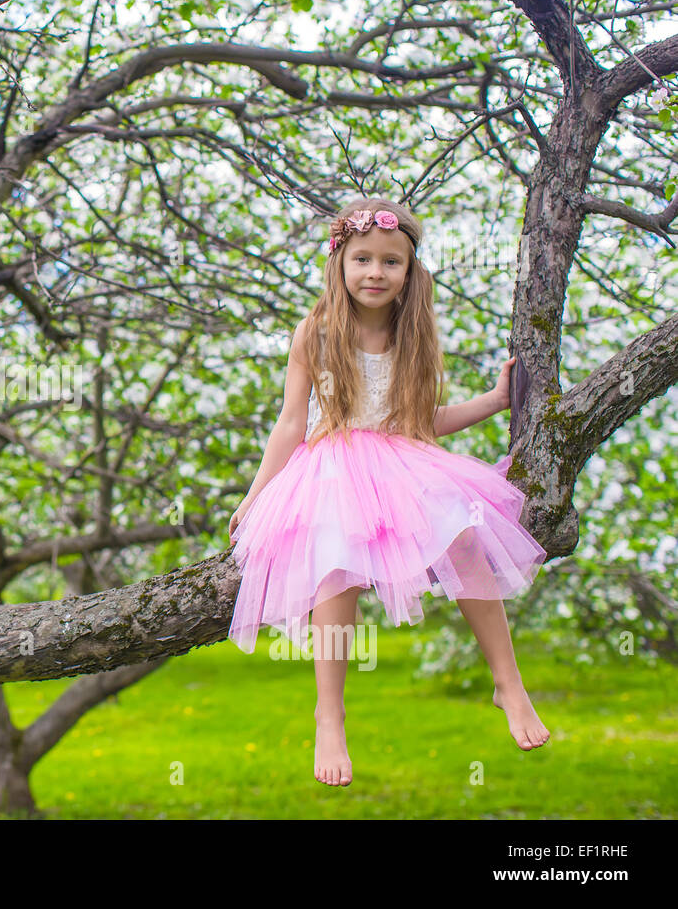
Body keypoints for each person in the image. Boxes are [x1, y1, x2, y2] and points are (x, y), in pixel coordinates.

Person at [226, 197, 550, 787]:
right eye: (363, 260)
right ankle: (330, 713)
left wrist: (494, 402)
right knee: (332, 568)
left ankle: (508, 681)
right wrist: (255, 496)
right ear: (340, 263)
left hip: (402, 464)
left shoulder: (413, 334)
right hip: (329, 467)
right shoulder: (317, 331)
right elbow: (290, 423)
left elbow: (418, 420)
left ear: (410, 273)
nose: (376, 273)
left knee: (466, 534)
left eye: (391, 263)